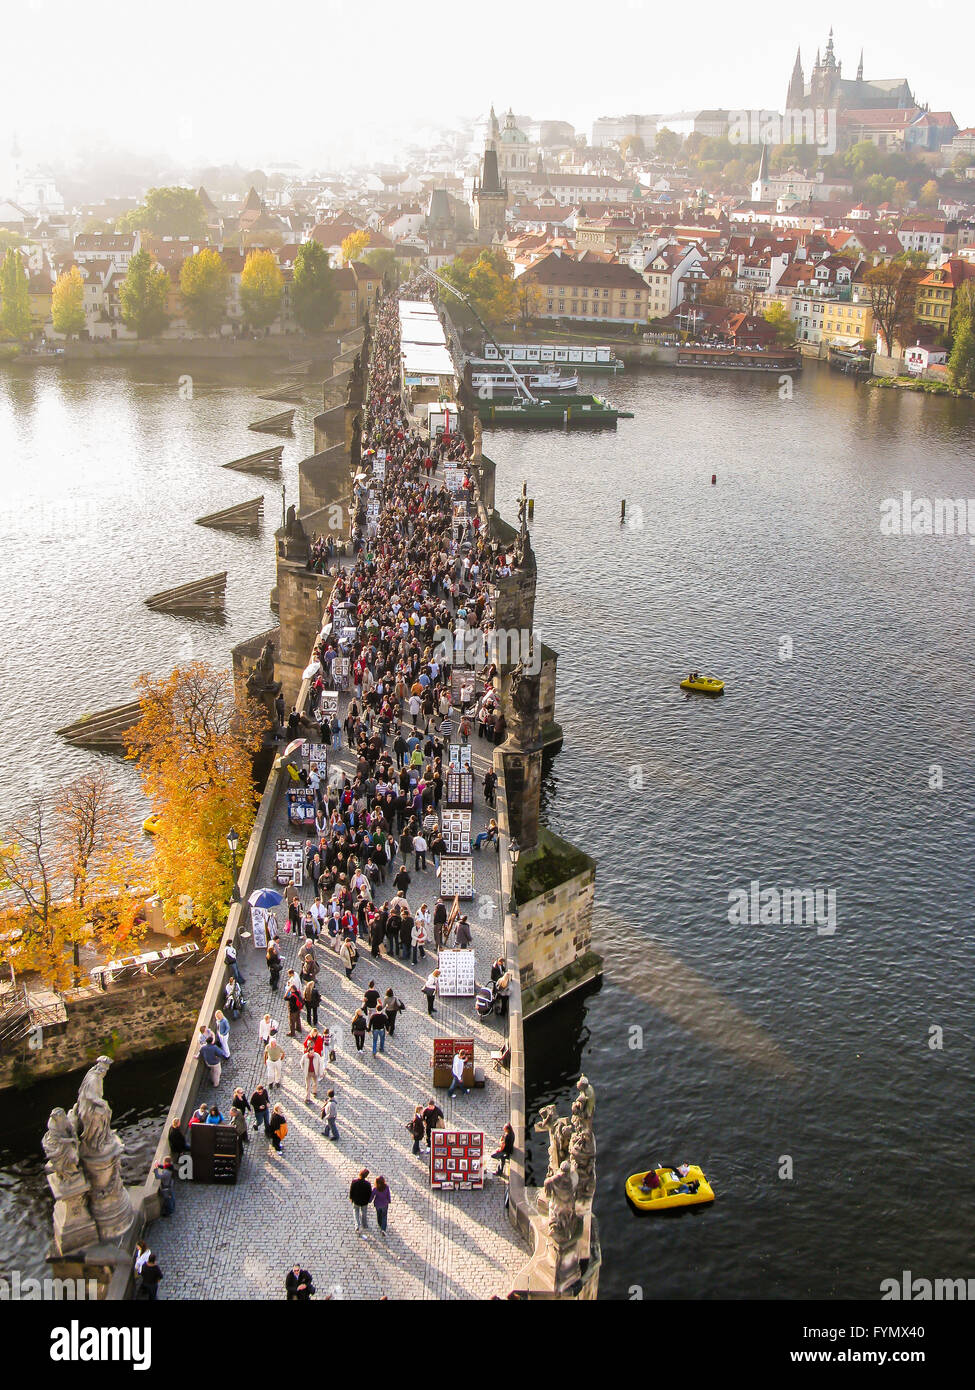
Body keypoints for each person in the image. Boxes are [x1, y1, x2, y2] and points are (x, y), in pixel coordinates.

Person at [349, 1168, 373, 1236]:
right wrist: (368, 1200)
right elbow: (369, 1193)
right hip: (364, 1202)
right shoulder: (367, 1184)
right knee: (364, 1212)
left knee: (356, 1212)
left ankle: (357, 1226)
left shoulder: (354, 1182)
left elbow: (351, 1190)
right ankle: (364, 1224)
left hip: (356, 1201)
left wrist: (351, 1198)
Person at [302, 1029, 324, 1101]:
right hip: (308, 1072)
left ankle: (314, 1091)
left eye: (315, 1033)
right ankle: (307, 1098)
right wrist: (304, 1069)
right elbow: (301, 1063)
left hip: (315, 1071)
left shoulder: (316, 1055)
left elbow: (320, 1064)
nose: (314, 1034)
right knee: (307, 1086)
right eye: (313, 1033)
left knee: (315, 1083)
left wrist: (320, 1072)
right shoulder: (305, 1056)